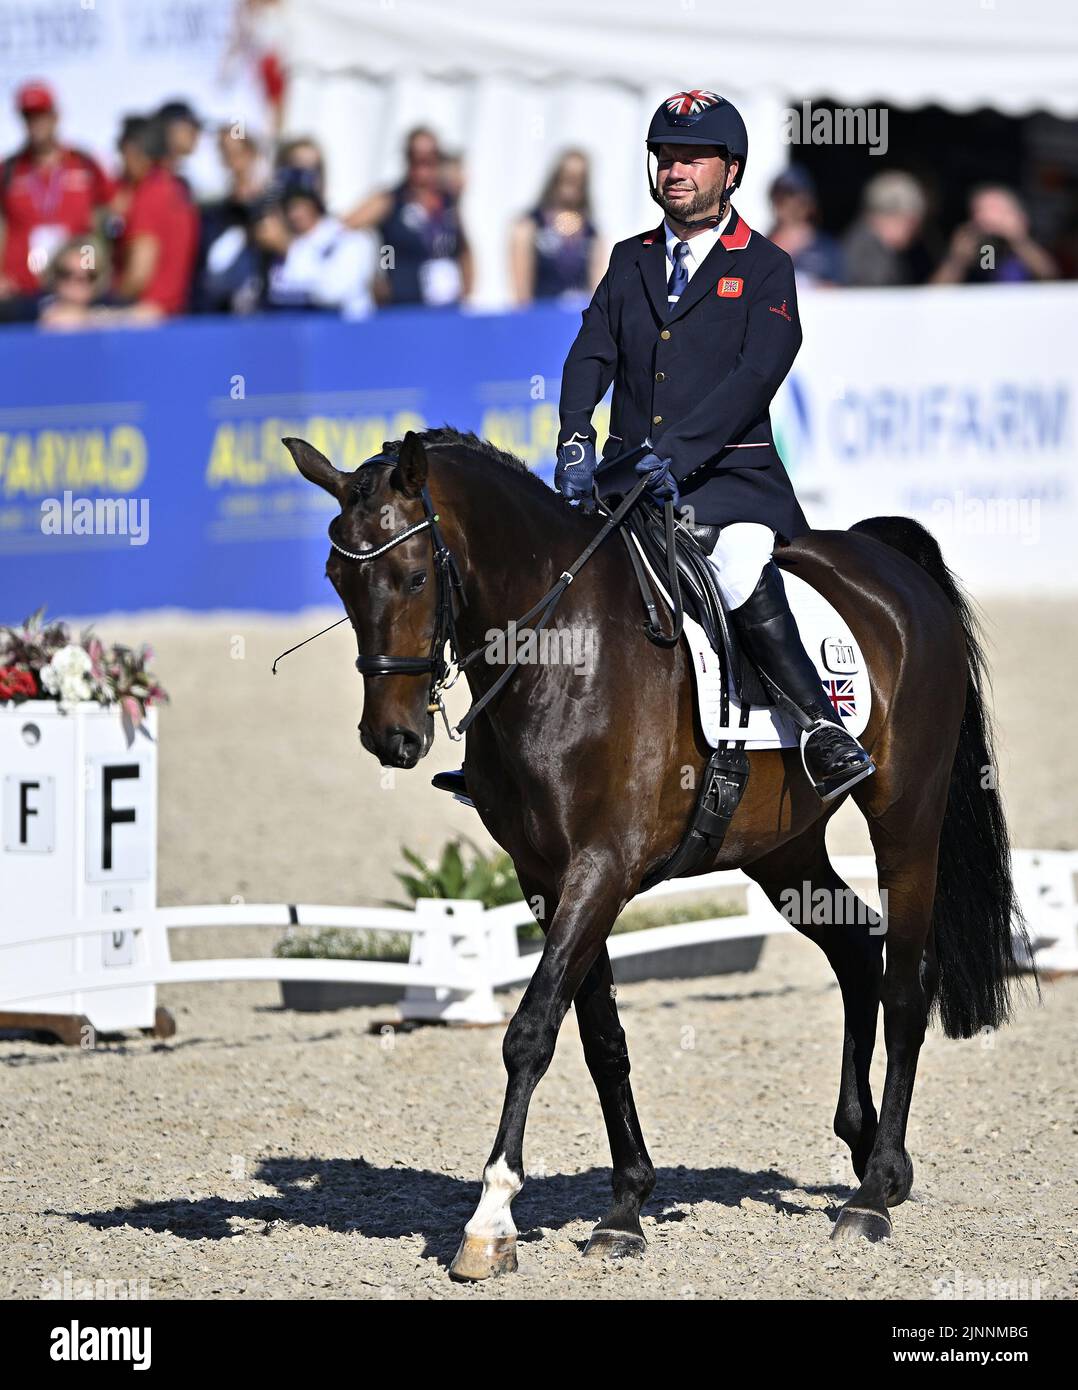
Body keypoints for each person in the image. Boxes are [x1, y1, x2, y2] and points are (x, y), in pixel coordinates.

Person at [553, 89, 874, 801]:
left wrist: (677, 455)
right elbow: (591, 351)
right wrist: (576, 433)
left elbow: (755, 375)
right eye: (666, 157)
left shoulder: (764, 268)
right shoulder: (629, 258)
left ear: (730, 171)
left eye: (693, 159)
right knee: (549, 564)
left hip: (729, 481)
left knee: (734, 564)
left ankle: (820, 726)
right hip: (626, 479)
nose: (675, 171)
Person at [0, 81, 113, 300]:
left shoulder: (85, 164)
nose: (35, 123)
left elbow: (99, 227)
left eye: (41, 115)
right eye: (29, 117)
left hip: (74, 289)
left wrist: (92, 273)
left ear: (55, 116)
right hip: (21, 290)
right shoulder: (9, 170)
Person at [344, 126, 473, 308]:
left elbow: (463, 248)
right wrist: (382, 270)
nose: (424, 167)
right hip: (402, 307)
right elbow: (348, 229)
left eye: (430, 158)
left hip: (445, 308)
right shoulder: (390, 200)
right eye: (416, 158)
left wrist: (466, 291)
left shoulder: (447, 203)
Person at [256, 167, 375, 317]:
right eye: (286, 206)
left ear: (315, 202)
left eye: (300, 203)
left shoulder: (347, 237)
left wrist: (288, 249)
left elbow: (332, 291)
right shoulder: (271, 250)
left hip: (343, 333)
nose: (294, 213)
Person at [111, 115, 199, 318]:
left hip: (147, 315)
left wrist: (110, 301)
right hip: (174, 313)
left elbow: (139, 273)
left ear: (133, 151)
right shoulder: (176, 190)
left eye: (121, 152)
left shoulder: (148, 195)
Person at [510, 149, 603, 306]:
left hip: (578, 318)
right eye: (567, 176)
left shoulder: (591, 232)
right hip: (542, 315)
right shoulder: (530, 226)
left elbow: (597, 285)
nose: (573, 182)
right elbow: (521, 294)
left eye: (579, 178)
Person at [193, 127, 271, 313]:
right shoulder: (214, 209)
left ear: (251, 153)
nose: (233, 161)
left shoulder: (272, 203)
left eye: (238, 153)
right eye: (226, 154)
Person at [931, 184, 1057, 284]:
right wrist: (957, 259)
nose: (989, 217)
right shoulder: (982, 248)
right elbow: (936, 294)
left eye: (997, 210)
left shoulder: (1026, 247)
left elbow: (1050, 278)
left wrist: (1018, 239)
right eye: (981, 210)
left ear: (1020, 218)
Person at [842, 171, 927, 287]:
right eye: (910, 222)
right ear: (888, 217)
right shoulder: (865, 251)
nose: (916, 231)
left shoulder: (883, 248)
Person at [766, 164, 845, 287]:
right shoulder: (761, 244)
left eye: (794, 197)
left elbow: (843, 293)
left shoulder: (827, 249)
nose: (788, 204)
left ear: (809, 203)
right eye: (780, 197)